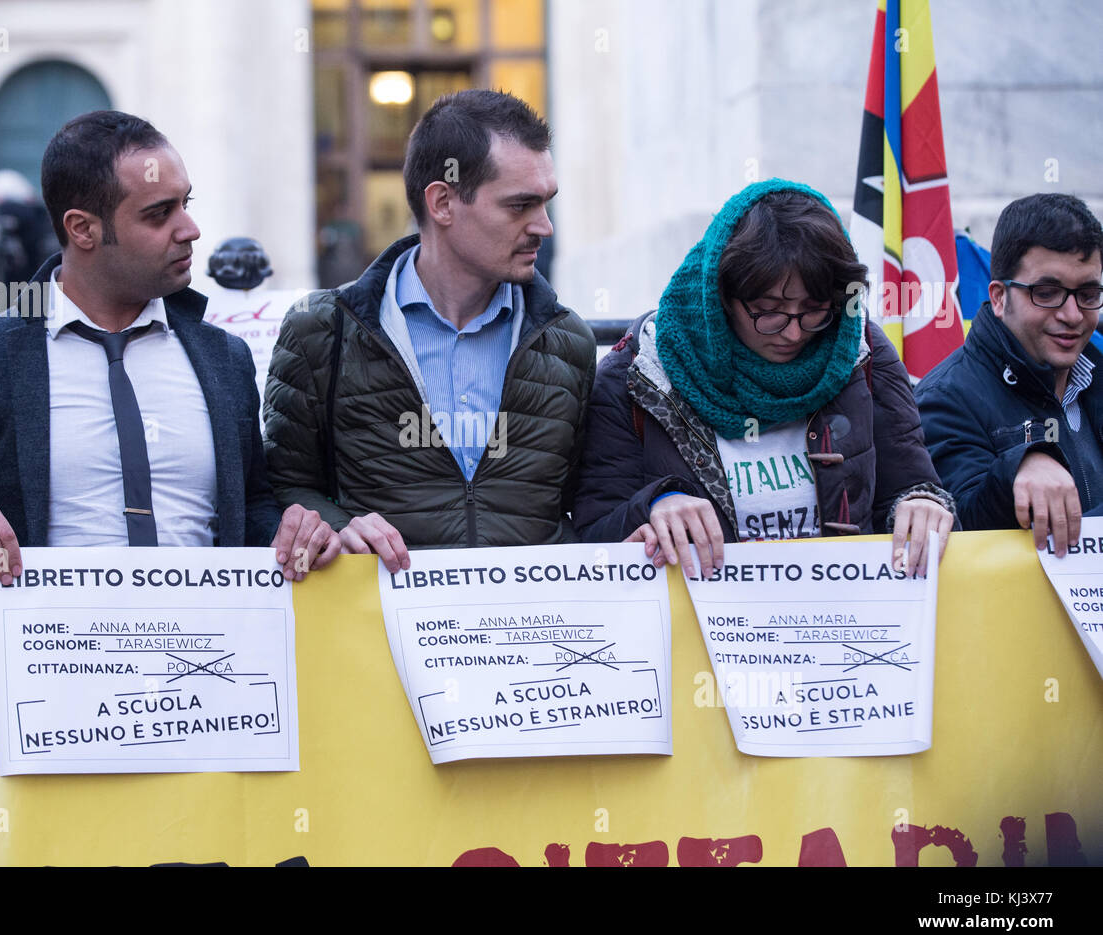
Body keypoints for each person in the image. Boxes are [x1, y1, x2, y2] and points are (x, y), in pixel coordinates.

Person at [0, 110, 339, 582]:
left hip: (205, 645)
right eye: (159, 213)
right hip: (46, 646)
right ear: (83, 229)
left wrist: (293, 531)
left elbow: (250, 504)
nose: (190, 229)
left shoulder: (224, 355)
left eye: (185, 203)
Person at [264, 90, 595, 571]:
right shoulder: (321, 331)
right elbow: (279, 491)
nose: (543, 226)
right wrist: (335, 525)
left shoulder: (569, 344)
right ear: (442, 202)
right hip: (374, 634)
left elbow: (592, 501)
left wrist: (654, 502)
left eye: (546, 203)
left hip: (534, 635)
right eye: (520, 206)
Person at [573, 179, 956, 578]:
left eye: (814, 309)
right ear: (719, 295)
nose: (794, 333)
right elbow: (592, 538)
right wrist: (655, 503)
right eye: (769, 311)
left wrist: (921, 506)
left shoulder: (862, 352)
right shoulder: (638, 374)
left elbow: (912, 487)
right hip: (697, 633)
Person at [916, 193, 1103, 556]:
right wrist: (1017, 468)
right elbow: (960, 532)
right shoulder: (942, 400)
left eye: (1088, 293)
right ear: (999, 297)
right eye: (1046, 293)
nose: (1072, 314)